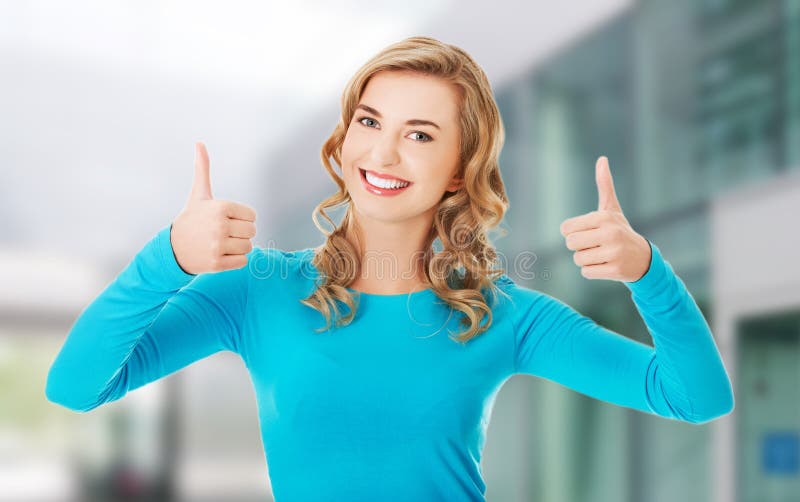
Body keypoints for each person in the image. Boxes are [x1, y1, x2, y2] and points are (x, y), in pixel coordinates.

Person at [45, 36, 734, 501]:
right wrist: (167, 257)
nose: (383, 153)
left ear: (460, 173)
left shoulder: (504, 315)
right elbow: (76, 386)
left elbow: (695, 397)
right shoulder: (254, 292)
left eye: (420, 135)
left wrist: (647, 270)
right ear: (344, 139)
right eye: (370, 122)